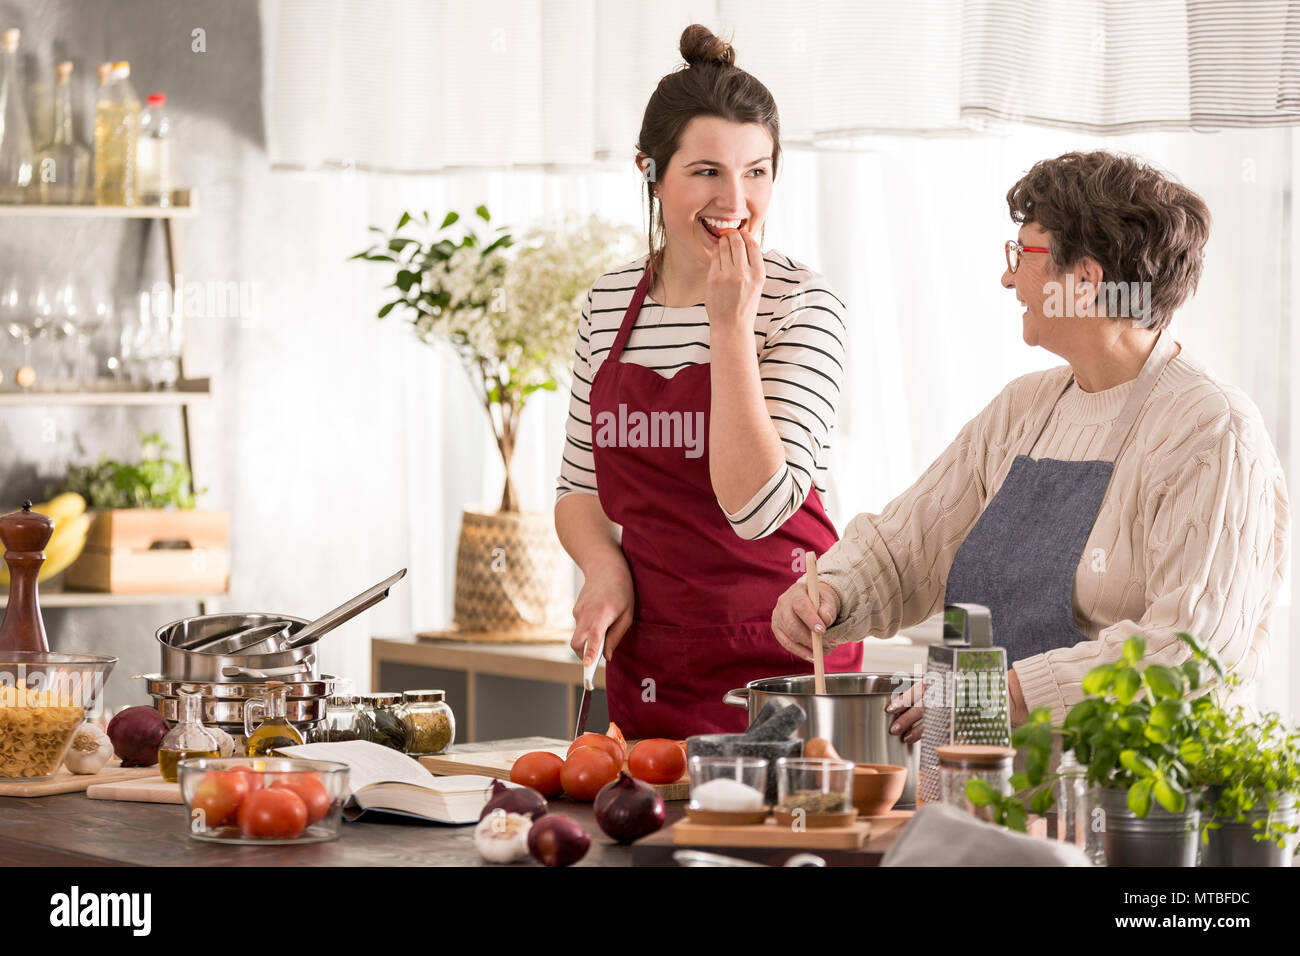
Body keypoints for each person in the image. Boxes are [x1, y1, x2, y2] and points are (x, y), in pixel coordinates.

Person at [771, 150, 1289, 743]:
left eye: (1024, 255)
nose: (1008, 277)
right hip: (984, 779)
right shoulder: (1024, 407)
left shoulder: (1211, 429)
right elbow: (909, 545)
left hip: (1120, 801)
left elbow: (1192, 650)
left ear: (1087, 281)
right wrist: (836, 591)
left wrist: (1008, 693)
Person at [554, 25, 862, 738]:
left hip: (787, 657)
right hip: (656, 658)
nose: (737, 199)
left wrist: (729, 328)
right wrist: (604, 568)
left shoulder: (799, 304)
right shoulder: (608, 303)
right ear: (650, 172)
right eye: (706, 172)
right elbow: (577, 488)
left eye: (757, 171)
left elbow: (758, 507)